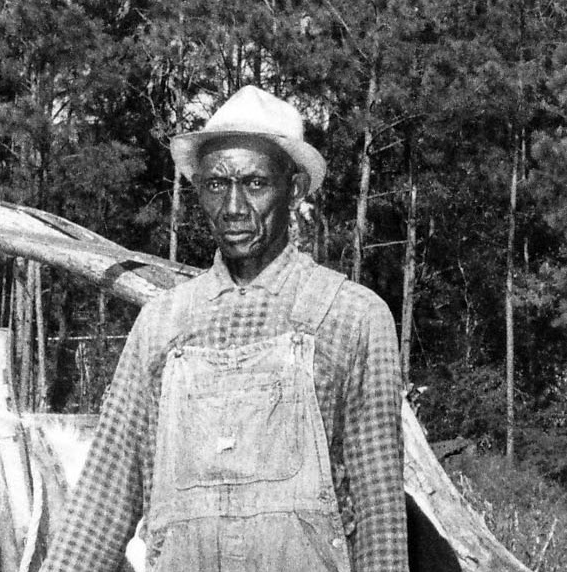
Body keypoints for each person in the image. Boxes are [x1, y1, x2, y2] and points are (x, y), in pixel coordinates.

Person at [41, 85, 408, 572]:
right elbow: (100, 506)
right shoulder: (161, 325)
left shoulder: (354, 317)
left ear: (294, 188)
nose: (234, 206)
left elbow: (380, 518)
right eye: (217, 185)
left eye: (255, 184)